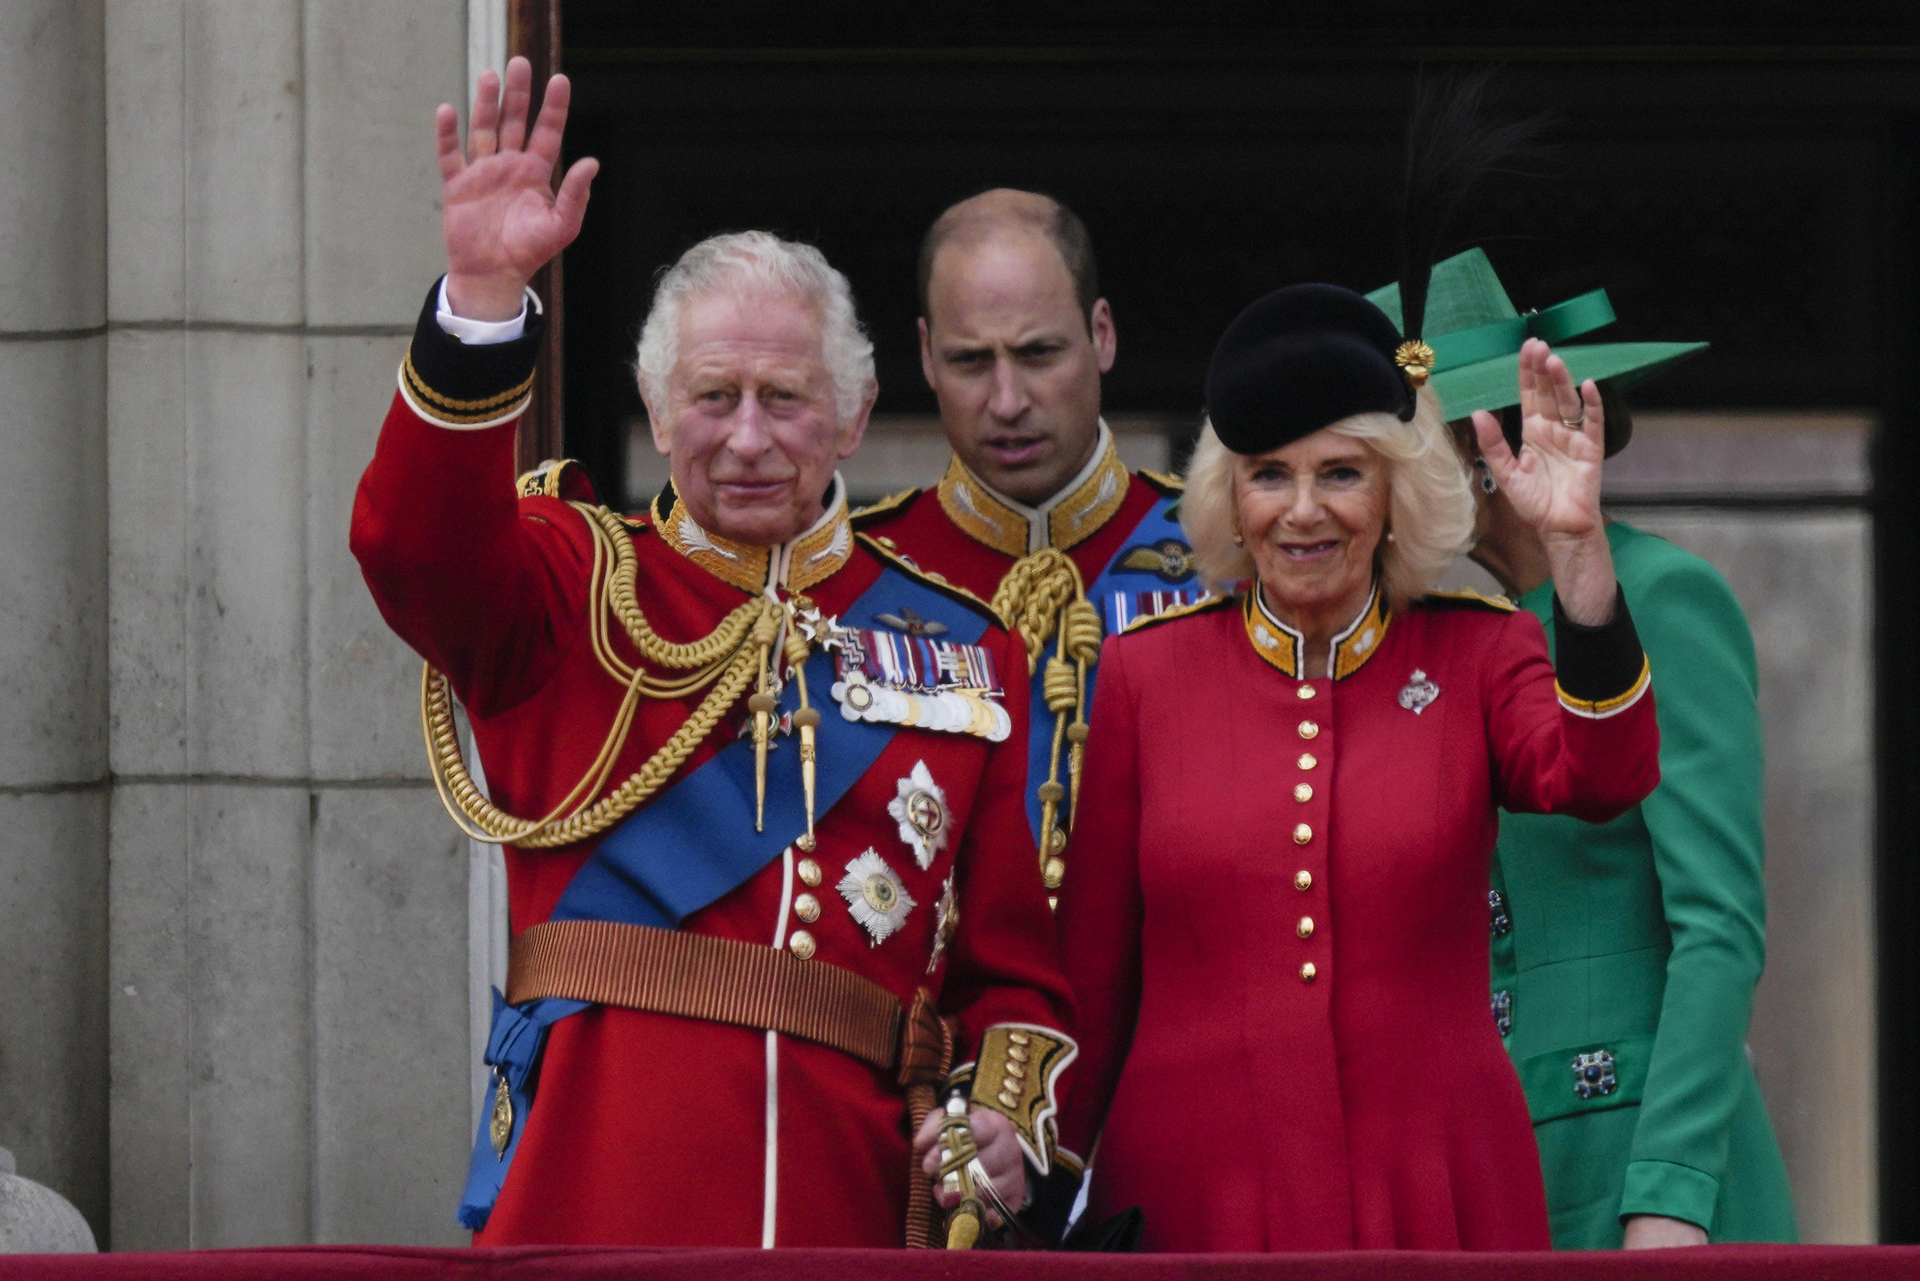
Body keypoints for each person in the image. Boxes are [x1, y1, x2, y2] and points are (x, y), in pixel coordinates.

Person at [350, 58, 1075, 1248]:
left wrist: (998, 1120)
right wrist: (481, 297)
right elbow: (409, 545)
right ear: (651, 401)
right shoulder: (569, 584)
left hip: (850, 1208)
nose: (746, 438)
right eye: (712, 396)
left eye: (786, 398)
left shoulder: (964, 649)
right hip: (592, 1202)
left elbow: (1016, 983)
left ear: (855, 412)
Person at [1050, 280, 1663, 1251]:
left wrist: (1576, 548)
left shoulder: (1477, 655)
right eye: (1268, 475)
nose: (1302, 512)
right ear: (1228, 493)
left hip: (1434, 1176)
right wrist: (1050, 1181)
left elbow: (1601, 776)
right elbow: (1092, 976)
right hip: (1192, 1189)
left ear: (1395, 492)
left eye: (1341, 474)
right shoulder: (1142, 676)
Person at [1366, 248, 1798, 1249]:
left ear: (1479, 452)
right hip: (1506, 1165)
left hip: (1647, 1162)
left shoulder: (1657, 595)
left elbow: (1718, 925)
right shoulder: (1457, 635)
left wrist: (1672, 1192)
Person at [853, 190, 1200, 902]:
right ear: (925, 355)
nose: (1007, 400)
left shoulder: (1224, 555)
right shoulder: (855, 571)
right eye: (972, 361)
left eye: (1039, 353)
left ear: (1101, 334)